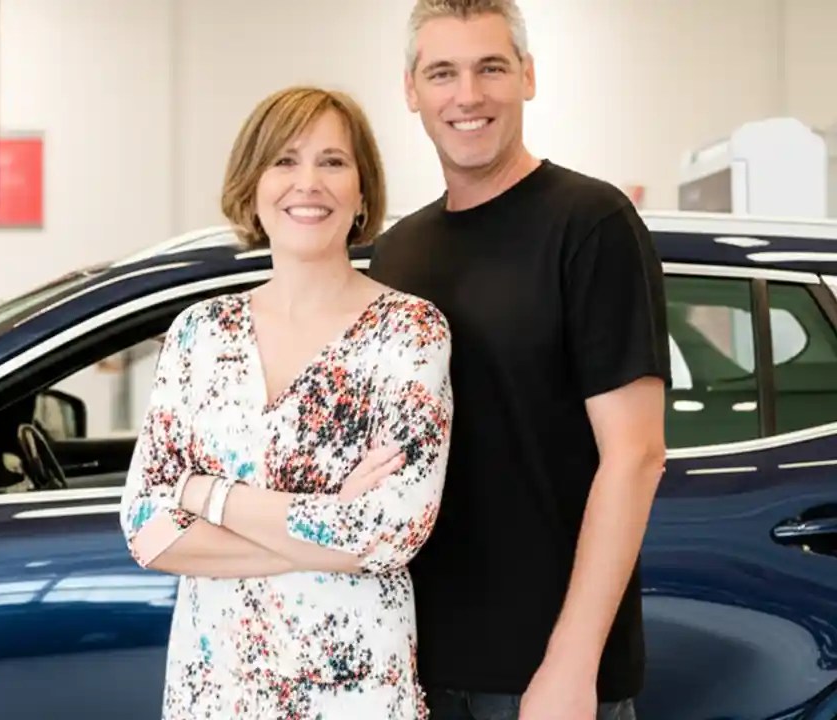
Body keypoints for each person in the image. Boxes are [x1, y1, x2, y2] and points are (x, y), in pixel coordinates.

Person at [368, 1, 671, 719]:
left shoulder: (590, 224)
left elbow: (635, 457)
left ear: (527, 77)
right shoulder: (396, 252)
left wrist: (571, 664)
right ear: (412, 89)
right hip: (414, 663)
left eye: (490, 68)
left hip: (544, 678)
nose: (467, 96)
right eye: (443, 72)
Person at [119, 85, 453, 719]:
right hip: (214, 691)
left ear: (362, 192)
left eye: (333, 162)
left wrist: (208, 497)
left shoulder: (408, 331)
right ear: (252, 186)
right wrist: (330, 528)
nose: (309, 183)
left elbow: (391, 533)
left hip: (354, 689)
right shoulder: (200, 332)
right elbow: (146, 528)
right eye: (285, 160)